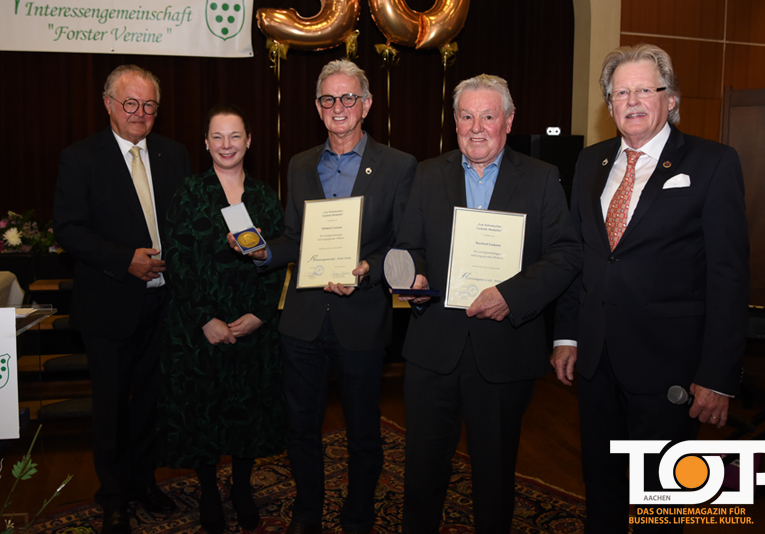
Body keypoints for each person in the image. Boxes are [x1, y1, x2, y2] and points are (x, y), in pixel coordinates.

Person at [551, 43, 750, 533]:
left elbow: (728, 274)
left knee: (659, 502)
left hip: (670, 368)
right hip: (595, 361)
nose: (632, 101)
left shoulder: (713, 163)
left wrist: (718, 374)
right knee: (601, 489)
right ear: (610, 104)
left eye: (645, 89)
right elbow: (580, 256)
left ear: (671, 98)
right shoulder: (590, 163)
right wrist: (566, 335)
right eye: (621, 92)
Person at [229, 59, 416, 534]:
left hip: (362, 318)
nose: (339, 107)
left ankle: (358, 516)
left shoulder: (399, 166)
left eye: (349, 97)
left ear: (367, 104)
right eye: (329, 99)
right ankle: (306, 513)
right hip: (304, 321)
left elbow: (405, 242)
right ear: (317, 107)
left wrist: (368, 270)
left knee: (363, 434)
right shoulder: (299, 163)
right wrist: (264, 251)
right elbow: (295, 236)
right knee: (300, 429)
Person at [395, 74, 582, 534]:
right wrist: (412, 272)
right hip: (433, 349)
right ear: (454, 121)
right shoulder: (427, 173)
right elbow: (409, 246)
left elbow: (566, 254)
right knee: (421, 471)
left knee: (494, 476)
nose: (476, 127)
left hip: (504, 350)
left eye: (488, 116)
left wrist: (510, 296)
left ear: (509, 121)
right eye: (466, 116)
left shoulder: (541, 178)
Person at [53, 65, 191, 534]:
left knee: (152, 404)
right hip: (109, 305)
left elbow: (187, 222)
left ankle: (142, 482)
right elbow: (68, 229)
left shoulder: (175, 155)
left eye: (149, 105)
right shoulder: (81, 158)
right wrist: (122, 260)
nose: (140, 113)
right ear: (109, 104)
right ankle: (112, 497)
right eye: (130, 103)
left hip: (163, 305)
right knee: (110, 409)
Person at [157, 105, 287, 534]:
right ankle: (209, 489)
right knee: (204, 412)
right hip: (201, 329)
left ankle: (243, 487)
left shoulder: (267, 196)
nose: (227, 145)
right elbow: (176, 261)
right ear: (207, 143)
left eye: (235, 136)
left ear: (249, 141)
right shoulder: (189, 193)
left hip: (252, 327)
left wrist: (260, 314)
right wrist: (204, 318)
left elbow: (280, 259)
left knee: (248, 411)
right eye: (218, 136)